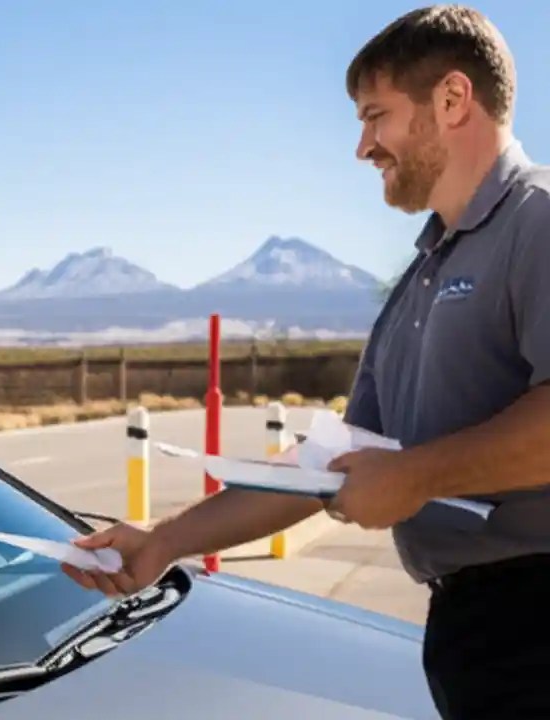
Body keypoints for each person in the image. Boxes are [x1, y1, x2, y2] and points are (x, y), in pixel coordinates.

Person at [62, 5, 550, 719]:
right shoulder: (420, 275)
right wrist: (164, 542)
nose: (363, 147)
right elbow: (336, 461)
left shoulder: (537, 221)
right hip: (471, 634)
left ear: (451, 100)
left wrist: (414, 476)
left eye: (375, 115)